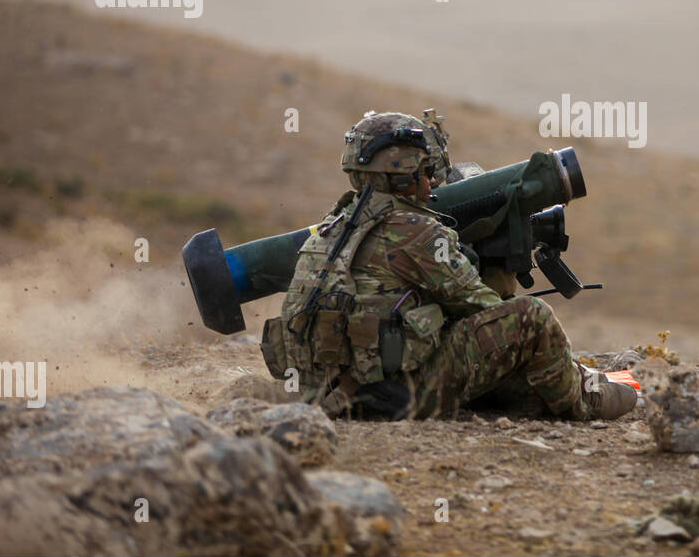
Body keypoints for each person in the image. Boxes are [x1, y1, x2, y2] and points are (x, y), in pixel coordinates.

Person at [267, 110, 637, 422]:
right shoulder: (416, 232)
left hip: (329, 393)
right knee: (531, 318)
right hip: (397, 398)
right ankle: (584, 401)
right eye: (425, 172)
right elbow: (486, 310)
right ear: (405, 176)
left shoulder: (328, 230)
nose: (431, 183)